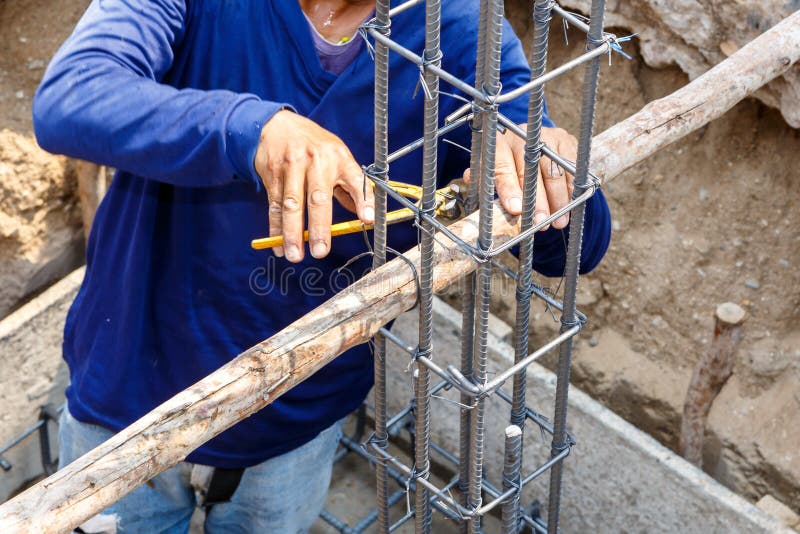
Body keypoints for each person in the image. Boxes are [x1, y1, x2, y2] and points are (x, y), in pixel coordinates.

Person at [33, 0, 612, 532]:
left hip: (295, 421)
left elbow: (574, 249)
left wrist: (545, 175)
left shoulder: (456, 30)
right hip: (128, 397)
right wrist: (249, 128)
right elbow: (70, 97)